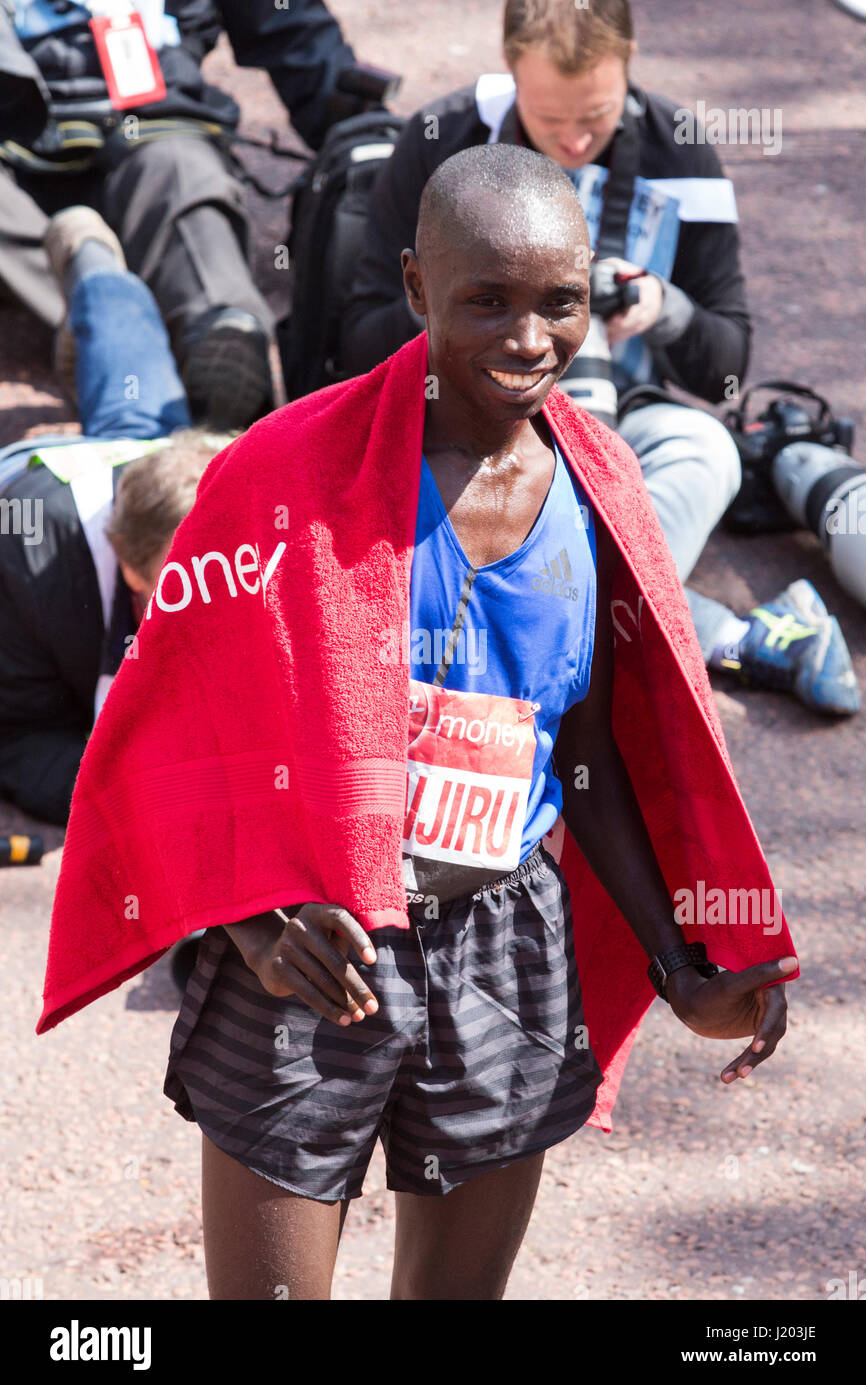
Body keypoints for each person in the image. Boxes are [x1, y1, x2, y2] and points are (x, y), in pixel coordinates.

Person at [37, 143, 797, 1301]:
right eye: (483, 299)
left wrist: (680, 958)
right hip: (313, 955)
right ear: (412, 288)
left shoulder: (597, 495)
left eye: (559, 302)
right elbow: (179, 721)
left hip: (502, 948)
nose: (527, 338)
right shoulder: (283, 474)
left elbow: (587, 759)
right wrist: (249, 922)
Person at [340, 0, 859, 716]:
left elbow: (728, 364)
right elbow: (360, 332)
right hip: (461, 415)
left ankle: (566, 631)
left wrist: (664, 308)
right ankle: (692, 632)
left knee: (710, 450)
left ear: (630, 68)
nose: (577, 141)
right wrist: (465, 301)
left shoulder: (679, 150)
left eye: (598, 116)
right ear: (511, 70)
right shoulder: (443, 142)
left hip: (619, 417)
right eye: (551, 124)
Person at [0, 0, 398, 427]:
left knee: (187, 184)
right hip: (15, 146)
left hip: (156, 127)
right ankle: (101, 309)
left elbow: (290, 24)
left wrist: (361, 117)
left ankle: (216, 342)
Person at [0, 205, 225, 825]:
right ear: (132, 572)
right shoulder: (28, 574)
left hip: (148, 457)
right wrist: (149, 786)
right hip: (35, 493)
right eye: (194, 593)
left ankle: (90, 264)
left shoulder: (222, 511)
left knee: (141, 403)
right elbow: (20, 742)